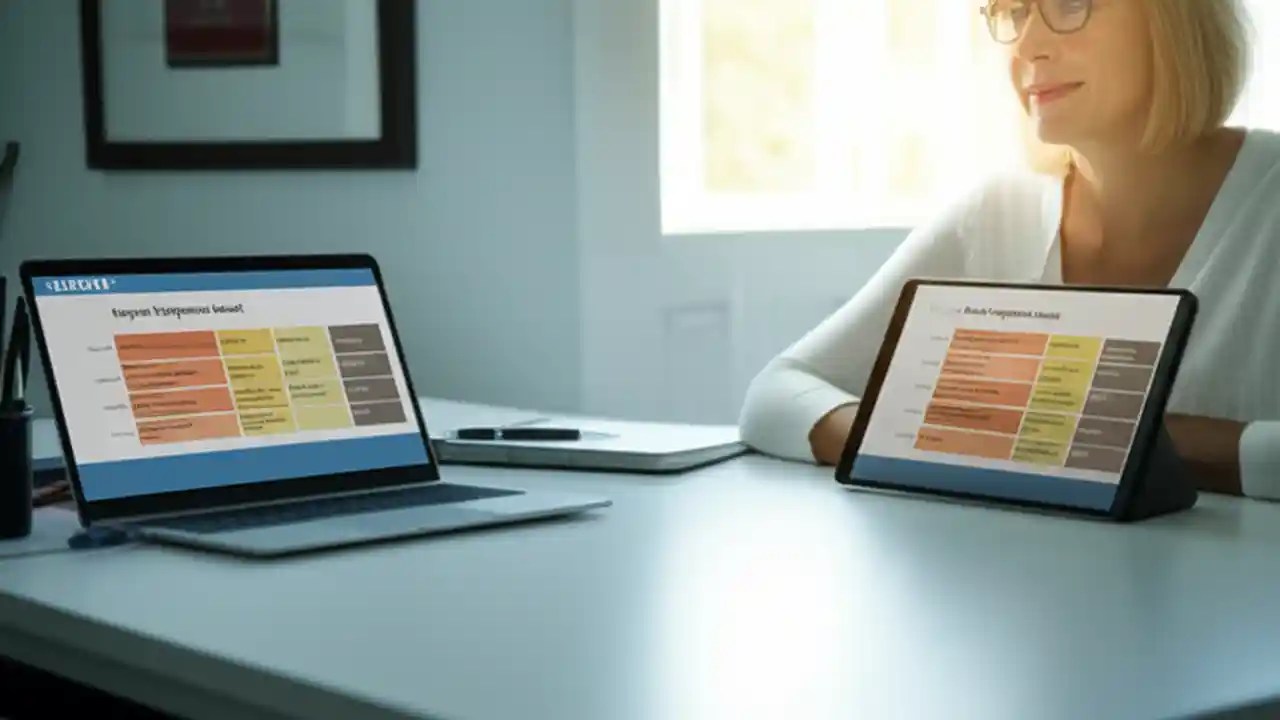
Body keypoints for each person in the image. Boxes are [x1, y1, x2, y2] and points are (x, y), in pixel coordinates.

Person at [739, 0, 1280, 499]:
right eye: (1014, 11)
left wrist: (1130, 440)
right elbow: (775, 395)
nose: (1026, 46)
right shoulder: (998, 212)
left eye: (1069, 3)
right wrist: (947, 440)